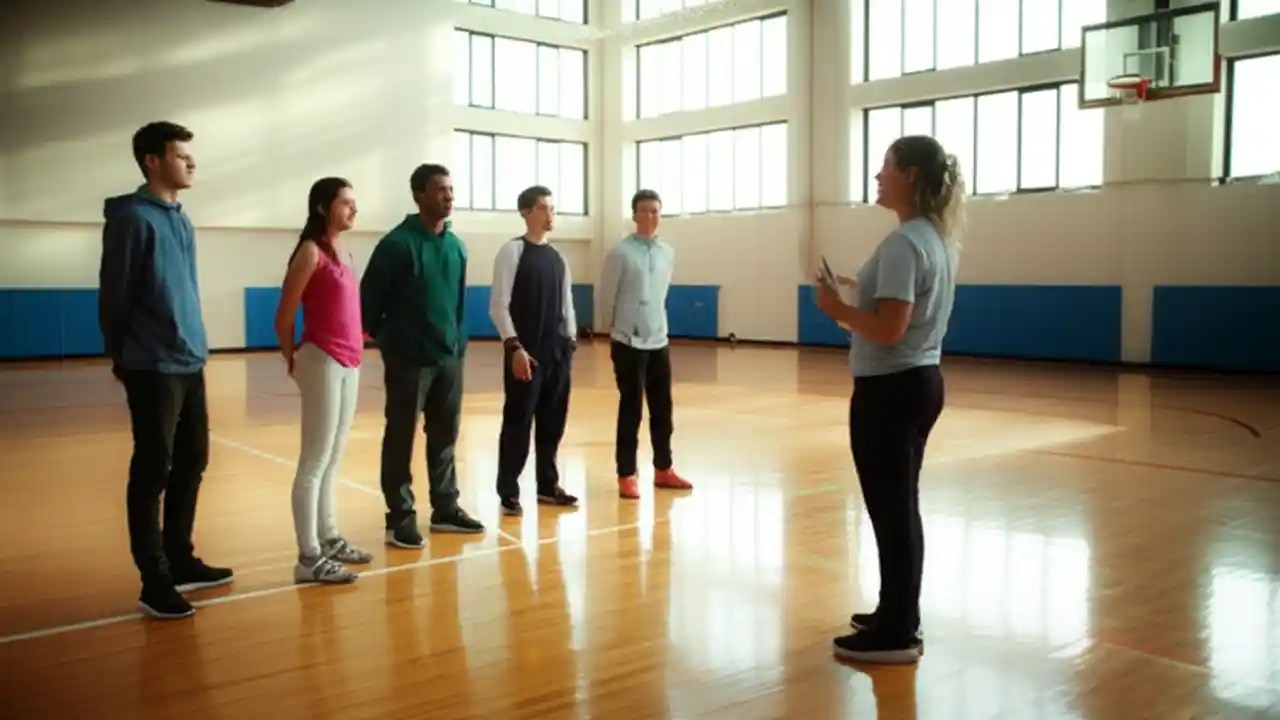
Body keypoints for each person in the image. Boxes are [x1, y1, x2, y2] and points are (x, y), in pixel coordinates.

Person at [814, 135, 963, 664]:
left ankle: (897, 631)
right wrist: (859, 290)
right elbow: (902, 309)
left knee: (891, 510)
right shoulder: (935, 239)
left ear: (912, 177)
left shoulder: (904, 244)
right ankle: (896, 610)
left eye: (887, 167)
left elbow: (890, 327)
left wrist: (835, 305)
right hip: (919, 383)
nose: (878, 175)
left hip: (891, 391)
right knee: (899, 507)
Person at [98, 121, 233, 620]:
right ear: (153, 161)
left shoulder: (181, 219)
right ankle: (153, 578)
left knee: (193, 458)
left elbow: (187, 290)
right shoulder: (133, 218)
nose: (190, 162)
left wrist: (196, 344)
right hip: (151, 364)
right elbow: (115, 295)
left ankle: (179, 557)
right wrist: (121, 355)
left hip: (189, 359)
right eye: (180, 155)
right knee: (153, 467)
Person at [360, 163, 484, 547]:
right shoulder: (396, 245)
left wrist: (458, 347)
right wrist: (396, 345)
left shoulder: (457, 246)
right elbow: (367, 307)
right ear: (418, 195)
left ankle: (445, 508)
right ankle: (399, 516)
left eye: (451, 189)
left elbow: (459, 304)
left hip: (449, 360)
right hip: (409, 361)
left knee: (445, 435)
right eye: (440, 190)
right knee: (401, 436)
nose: (449, 196)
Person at [275, 177, 374, 584]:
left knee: (333, 456)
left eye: (354, 202)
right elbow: (284, 313)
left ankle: (329, 536)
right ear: (322, 207)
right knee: (314, 459)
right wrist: (292, 357)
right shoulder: (310, 252)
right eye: (346, 203)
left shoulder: (345, 251)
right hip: (322, 360)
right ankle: (308, 555)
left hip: (350, 361)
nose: (354, 209)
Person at [489, 185, 580, 516]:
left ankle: (547, 486)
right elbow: (499, 305)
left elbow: (567, 303)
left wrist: (570, 340)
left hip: (557, 353)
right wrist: (513, 346)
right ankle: (508, 490)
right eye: (543, 207)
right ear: (526, 212)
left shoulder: (559, 259)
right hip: (525, 352)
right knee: (518, 421)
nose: (550, 214)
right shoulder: (513, 252)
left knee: (553, 423)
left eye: (553, 208)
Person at [598, 189, 692, 499]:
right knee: (631, 408)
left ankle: (663, 468)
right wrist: (615, 330)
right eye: (645, 211)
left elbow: (660, 293)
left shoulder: (667, 252)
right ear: (635, 215)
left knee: (663, 408)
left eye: (655, 211)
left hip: (658, 340)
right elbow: (607, 296)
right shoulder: (621, 253)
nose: (650, 216)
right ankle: (627, 473)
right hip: (627, 341)